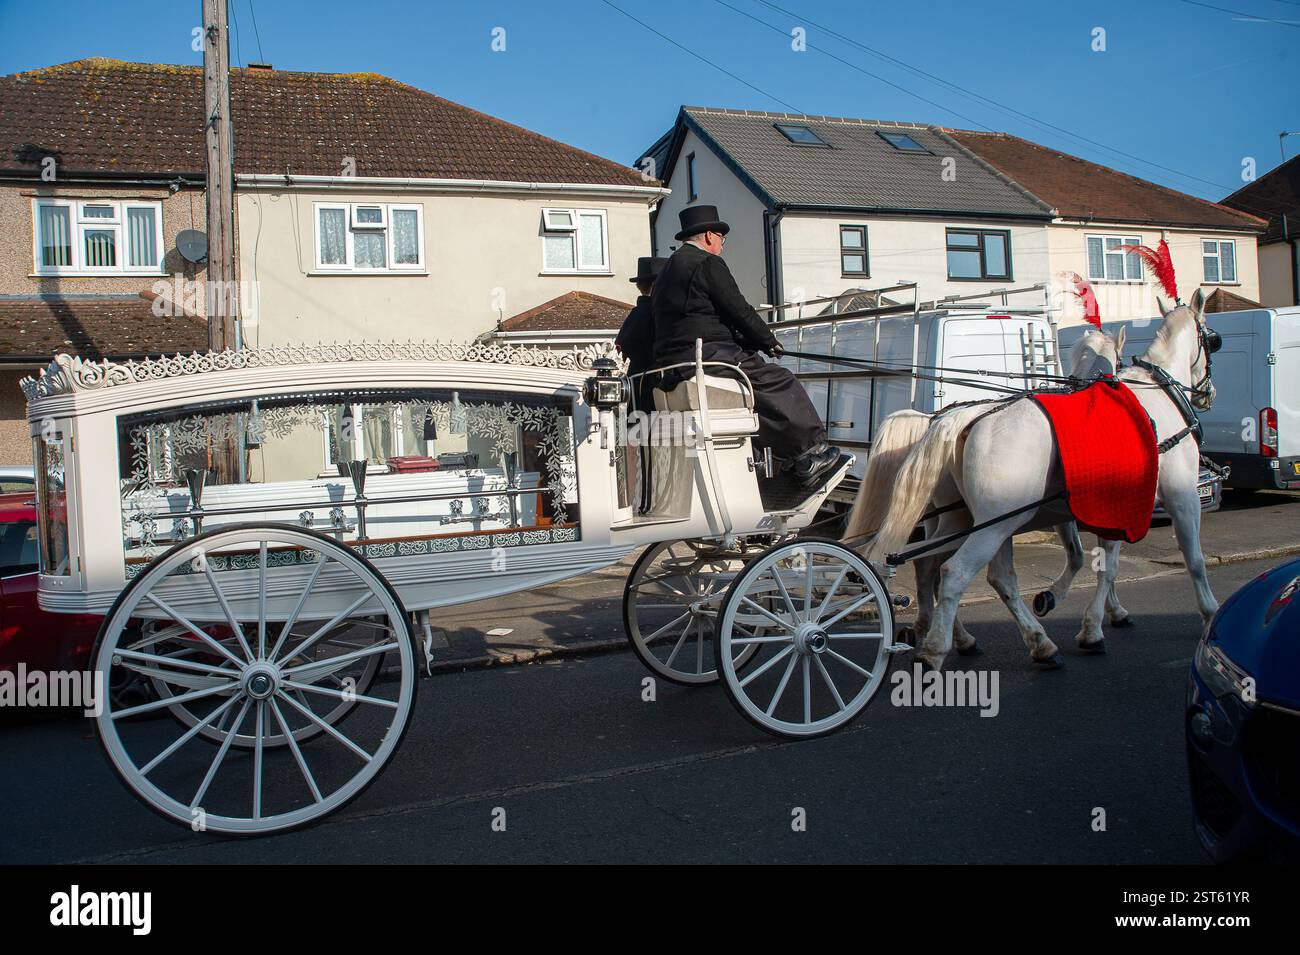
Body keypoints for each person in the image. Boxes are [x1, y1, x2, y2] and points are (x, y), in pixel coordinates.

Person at [652, 205, 839, 487]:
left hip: (675, 360)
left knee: (759, 385)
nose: (723, 245)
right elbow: (738, 309)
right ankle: (809, 453)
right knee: (779, 380)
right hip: (708, 353)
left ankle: (787, 457)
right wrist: (768, 341)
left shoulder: (668, 270)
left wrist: (750, 341)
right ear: (708, 236)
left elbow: (699, 316)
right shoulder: (706, 263)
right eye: (722, 238)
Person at [615, 255, 668, 413]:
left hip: (635, 391)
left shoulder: (635, 315)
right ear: (658, 284)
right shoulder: (656, 314)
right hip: (652, 394)